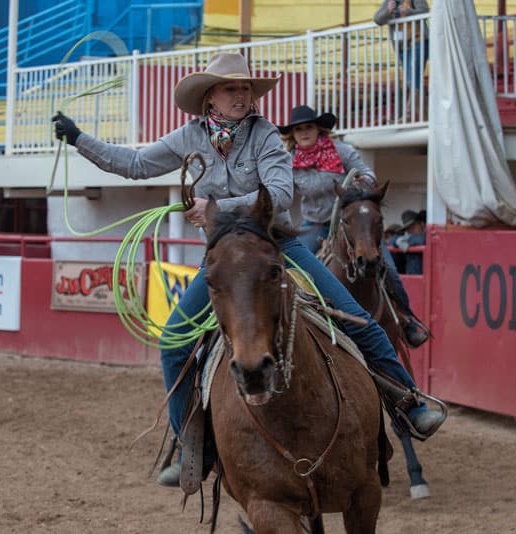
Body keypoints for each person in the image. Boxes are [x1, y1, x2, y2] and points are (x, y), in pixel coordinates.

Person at [51, 52, 445, 488]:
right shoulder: (189, 137)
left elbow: (277, 194)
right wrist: (78, 138)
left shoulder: (266, 138)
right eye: (231, 88)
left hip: (279, 245)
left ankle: (409, 404)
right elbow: (135, 164)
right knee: (172, 345)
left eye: (245, 88)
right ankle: (192, 448)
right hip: (224, 256)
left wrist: (215, 208)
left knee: (356, 317)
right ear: (210, 97)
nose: (241, 95)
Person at [279, 104, 429, 348]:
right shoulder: (288, 162)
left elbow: (367, 172)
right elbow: (283, 193)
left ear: (318, 129)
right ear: (292, 135)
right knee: (288, 264)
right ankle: (290, 324)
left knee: (388, 268)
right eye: (299, 130)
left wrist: (363, 181)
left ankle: (407, 321)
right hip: (315, 223)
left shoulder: (340, 150)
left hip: (352, 223)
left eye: (309, 127)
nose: (304, 133)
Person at [373, 0, 430, 121]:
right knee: (412, 79)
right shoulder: (390, 1)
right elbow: (377, 19)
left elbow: (425, 11)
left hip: (418, 40)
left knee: (414, 75)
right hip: (401, 46)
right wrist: (388, 11)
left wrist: (408, 12)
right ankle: (425, 117)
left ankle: (408, 114)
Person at [390, 208, 426, 275]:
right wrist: (397, 240)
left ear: (422, 224)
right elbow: (391, 239)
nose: (410, 231)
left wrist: (405, 240)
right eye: (408, 229)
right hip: (410, 280)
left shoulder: (426, 237)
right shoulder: (407, 241)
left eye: (413, 227)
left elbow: (422, 239)